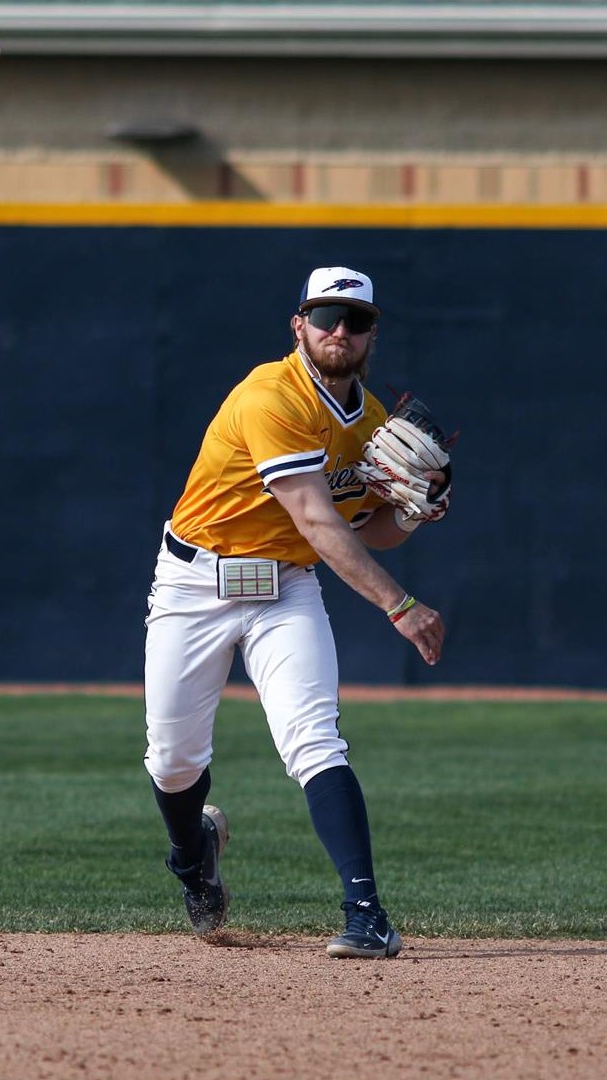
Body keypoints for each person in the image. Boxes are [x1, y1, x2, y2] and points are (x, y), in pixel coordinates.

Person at [143, 266, 448, 959]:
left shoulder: (371, 424)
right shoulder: (269, 395)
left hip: (285, 588)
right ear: (299, 325)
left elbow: (368, 525)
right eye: (325, 316)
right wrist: (397, 603)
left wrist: (416, 510)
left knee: (314, 742)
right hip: (196, 584)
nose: (340, 330)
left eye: (356, 320)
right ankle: (194, 857)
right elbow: (314, 516)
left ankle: (366, 913)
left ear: (374, 333)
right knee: (172, 761)